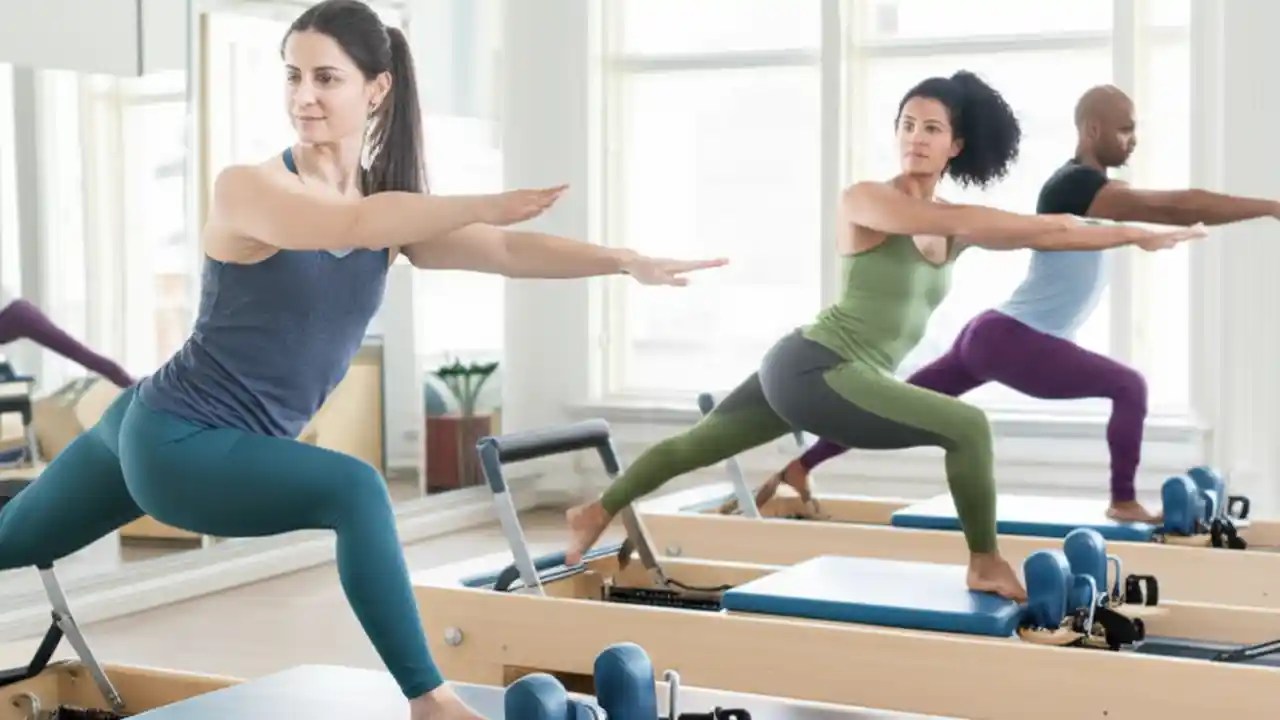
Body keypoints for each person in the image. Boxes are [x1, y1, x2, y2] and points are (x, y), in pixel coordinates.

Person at [0, 2, 725, 718]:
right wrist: (482, 200)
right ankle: (429, 700)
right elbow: (346, 225)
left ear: (376, 88)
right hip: (176, 440)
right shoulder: (251, 187)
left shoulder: (388, 205)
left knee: (10, 540)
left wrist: (623, 260)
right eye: (292, 77)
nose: (303, 97)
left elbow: (505, 251)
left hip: (157, 420)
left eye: (325, 78)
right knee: (356, 490)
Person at [564, 70, 1206, 602]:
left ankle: (594, 510)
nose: (916, 139)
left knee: (698, 444)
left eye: (931, 129)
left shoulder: (954, 223)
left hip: (826, 373)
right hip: (811, 363)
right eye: (907, 125)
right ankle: (984, 561)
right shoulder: (868, 199)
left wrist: (1138, 235)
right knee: (968, 428)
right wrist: (1113, 231)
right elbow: (982, 221)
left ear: (955, 144)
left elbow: (1054, 229)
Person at [765, 83, 1279, 525]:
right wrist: (1271, 208)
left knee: (891, 403)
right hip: (1015, 339)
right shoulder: (1080, 186)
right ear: (1093, 130)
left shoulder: (1088, 188)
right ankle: (1123, 501)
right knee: (1130, 386)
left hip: (993, 334)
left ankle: (801, 467)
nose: (1133, 139)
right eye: (1124, 129)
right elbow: (1174, 205)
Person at [0, 285, 135, 388]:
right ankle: (128, 383)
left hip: (15, 316)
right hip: (17, 313)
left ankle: (129, 384)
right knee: (78, 352)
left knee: (78, 353)